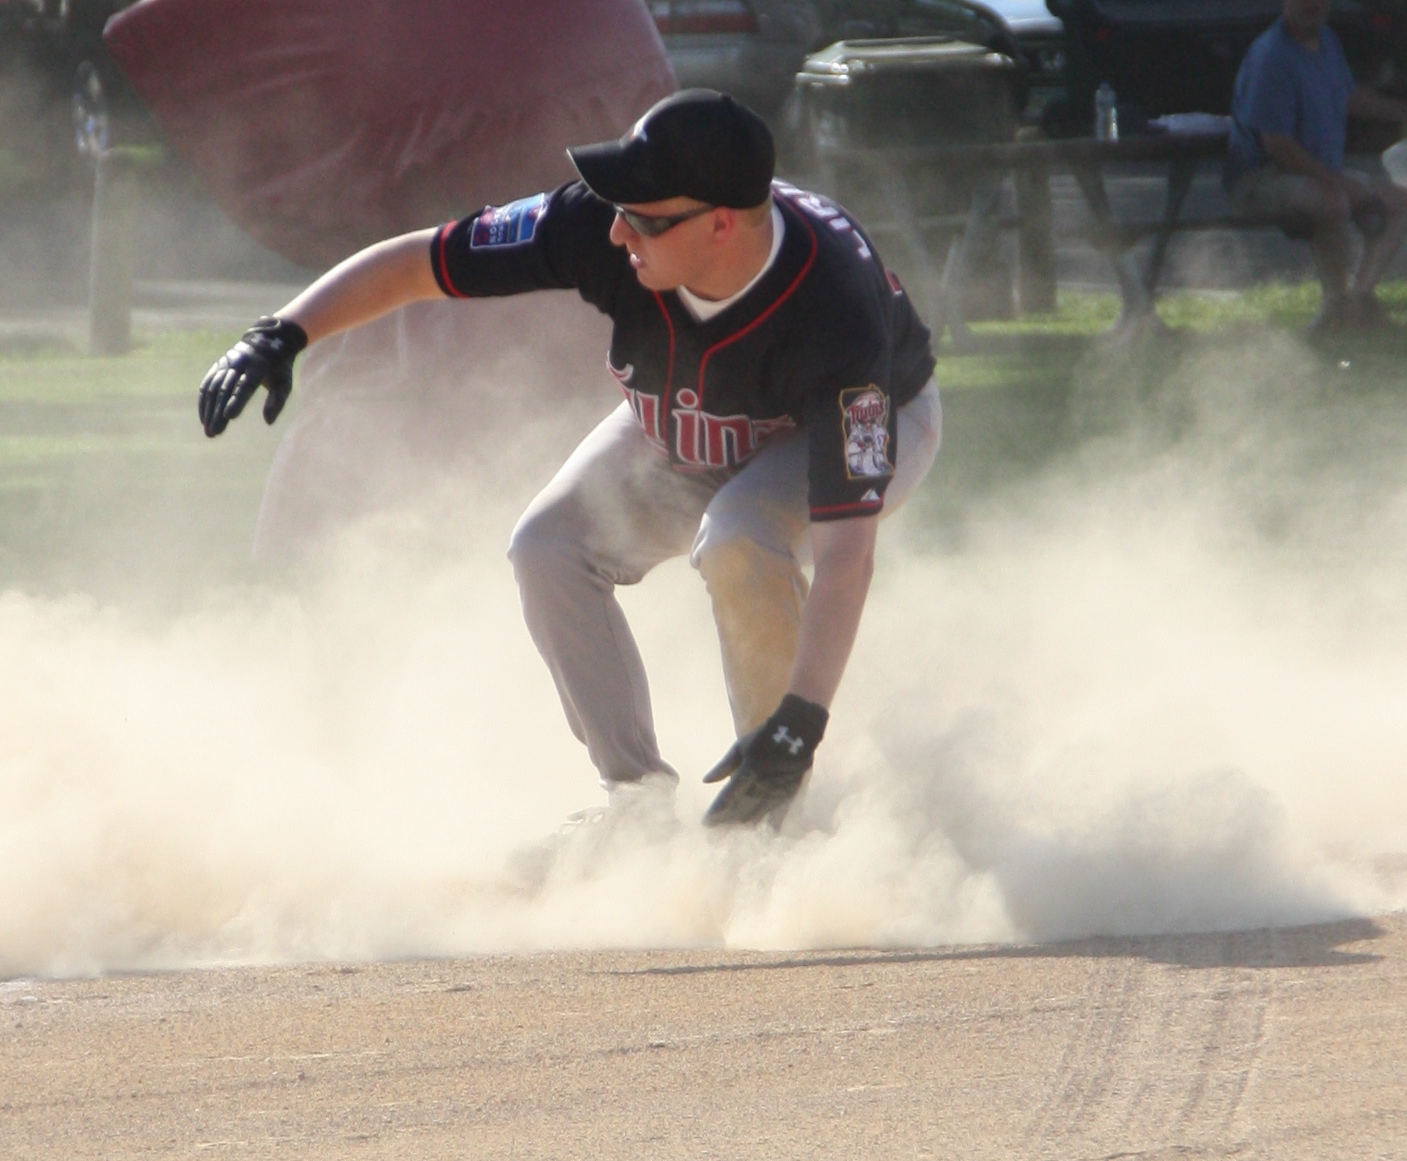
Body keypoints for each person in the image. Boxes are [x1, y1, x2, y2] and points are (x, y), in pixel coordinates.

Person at [199, 90, 942, 826]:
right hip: (690, 422)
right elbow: (421, 263)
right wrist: (284, 332)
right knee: (546, 547)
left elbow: (847, 555)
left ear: (721, 224)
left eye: (645, 216)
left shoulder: (835, 309)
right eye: (618, 206)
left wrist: (801, 720)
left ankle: (775, 809)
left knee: (740, 535)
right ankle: (638, 804)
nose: (619, 231)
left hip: (853, 425)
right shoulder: (598, 225)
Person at [1225, 0, 1407, 329]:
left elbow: (1351, 98)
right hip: (1259, 178)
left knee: (1402, 203)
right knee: (1334, 200)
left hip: (1318, 173)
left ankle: (1358, 300)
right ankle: (1333, 305)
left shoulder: (1327, 41)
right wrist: (1342, 184)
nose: (1314, 1)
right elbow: (1277, 145)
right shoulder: (1271, 56)